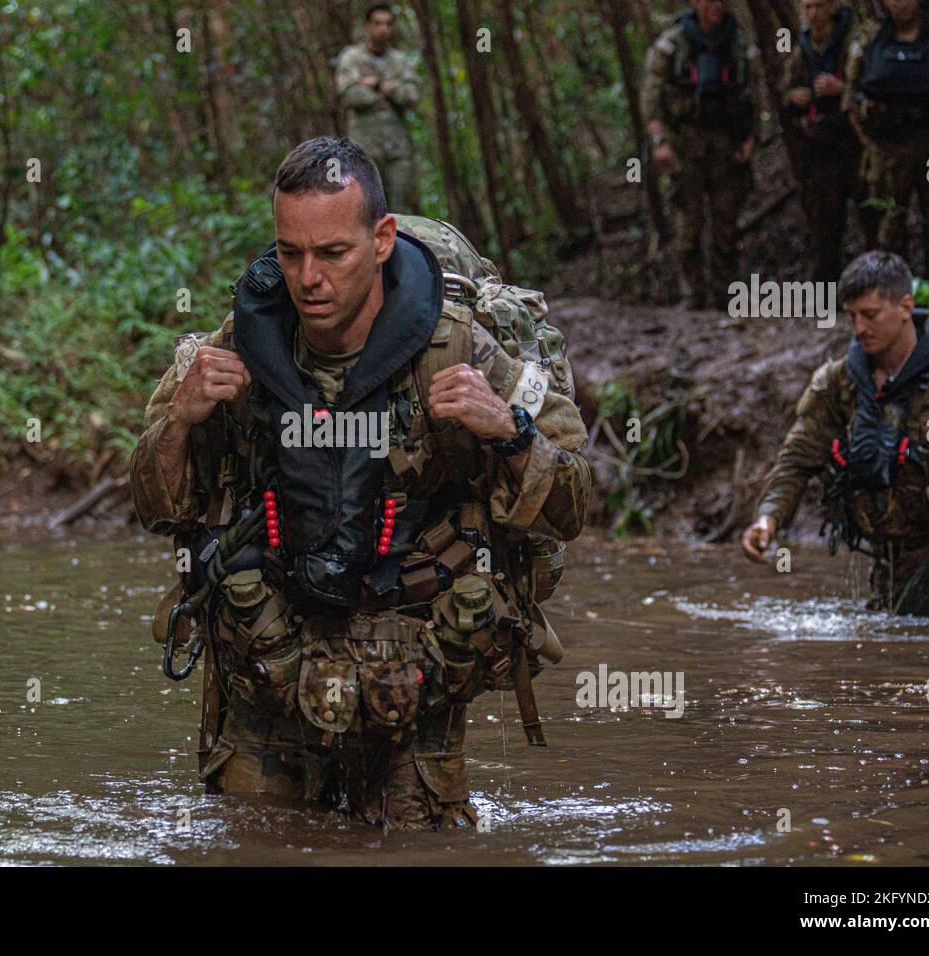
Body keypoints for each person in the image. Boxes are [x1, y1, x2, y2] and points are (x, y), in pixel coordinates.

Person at [129, 137, 591, 830]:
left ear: (380, 241)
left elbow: (576, 503)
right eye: (290, 254)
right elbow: (155, 507)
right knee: (251, 843)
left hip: (422, 660)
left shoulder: (463, 347)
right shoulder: (235, 347)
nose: (307, 278)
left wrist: (509, 430)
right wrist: (180, 423)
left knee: (416, 844)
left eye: (332, 254)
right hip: (268, 652)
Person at [741, 251, 929, 610]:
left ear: (905, 307)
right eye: (852, 316)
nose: (859, 329)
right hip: (893, 567)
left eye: (870, 315)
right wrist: (768, 518)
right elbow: (797, 460)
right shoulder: (839, 383)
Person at [641, 0, 766, 310]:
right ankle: (692, 295)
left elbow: (754, 93)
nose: (716, 6)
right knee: (688, 222)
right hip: (686, 145)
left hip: (726, 142)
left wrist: (752, 138)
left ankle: (726, 294)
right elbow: (651, 96)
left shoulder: (737, 42)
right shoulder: (672, 44)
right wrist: (659, 141)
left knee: (727, 221)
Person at [842, 0, 929, 284]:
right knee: (889, 223)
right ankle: (890, 295)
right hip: (888, 149)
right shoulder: (870, 37)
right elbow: (851, 98)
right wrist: (867, 142)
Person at [781, 0, 866, 280]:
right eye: (807, 7)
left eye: (818, 6)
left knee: (871, 214)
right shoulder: (802, 47)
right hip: (820, 145)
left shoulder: (855, 39)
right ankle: (825, 293)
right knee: (824, 223)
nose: (812, 14)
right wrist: (795, 96)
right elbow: (786, 89)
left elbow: (876, 83)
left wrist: (842, 89)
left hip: (856, 141)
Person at [335, 4, 421, 212]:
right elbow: (351, 95)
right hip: (365, 150)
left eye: (388, 24)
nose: (383, 29)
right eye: (377, 23)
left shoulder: (400, 61)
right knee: (367, 210)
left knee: (401, 212)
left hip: (397, 150)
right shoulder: (352, 58)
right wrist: (391, 89)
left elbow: (411, 95)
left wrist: (377, 85)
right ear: (367, 26)